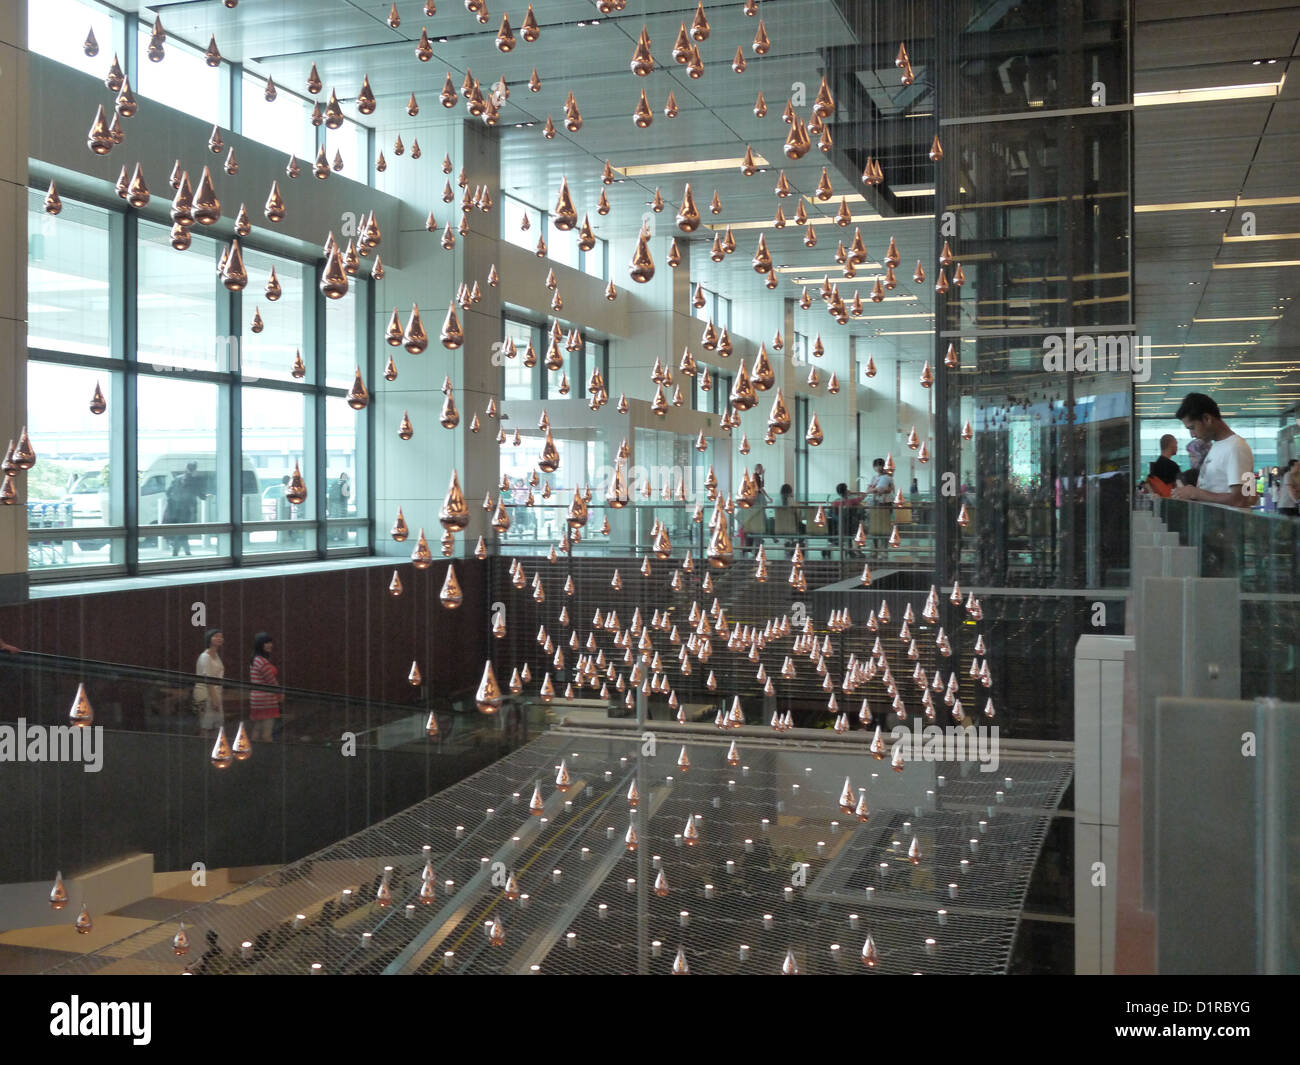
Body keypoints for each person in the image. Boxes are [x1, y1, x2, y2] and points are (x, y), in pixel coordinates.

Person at [1170, 394, 1255, 508]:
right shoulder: (1218, 446)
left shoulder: (1236, 447)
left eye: (1192, 428)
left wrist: (1195, 493)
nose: (1192, 435)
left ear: (1207, 419)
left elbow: (1241, 500)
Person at [249, 633, 283, 742]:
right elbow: (271, 681)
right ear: (260, 645)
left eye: (270, 642)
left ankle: (253, 754)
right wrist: (280, 694)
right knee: (267, 733)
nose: (270, 645)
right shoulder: (262, 661)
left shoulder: (254, 660)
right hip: (266, 699)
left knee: (257, 729)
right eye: (266, 643)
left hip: (256, 699)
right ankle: (267, 755)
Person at [192, 628, 225, 734]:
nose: (219, 638)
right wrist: (215, 699)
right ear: (209, 639)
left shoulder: (216, 656)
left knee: (216, 728)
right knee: (205, 727)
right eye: (216, 636)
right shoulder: (205, 656)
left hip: (215, 694)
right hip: (205, 695)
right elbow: (208, 679)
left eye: (220, 636)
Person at [163, 462, 199, 557]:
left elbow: (168, 492)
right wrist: (194, 513)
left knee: (180, 532)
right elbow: (193, 498)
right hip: (185, 510)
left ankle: (182, 552)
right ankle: (182, 553)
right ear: (195, 469)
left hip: (174, 510)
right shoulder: (192, 481)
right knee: (182, 532)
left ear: (186, 468)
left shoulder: (177, 478)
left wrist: (173, 501)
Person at [865, 459, 895, 553]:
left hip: (885, 504)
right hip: (875, 503)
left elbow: (881, 490)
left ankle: (884, 548)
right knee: (874, 525)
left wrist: (874, 489)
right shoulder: (874, 477)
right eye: (876, 465)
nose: (878, 467)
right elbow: (868, 490)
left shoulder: (888, 477)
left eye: (880, 465)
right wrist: (875, 489)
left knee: (884, 526)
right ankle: (875, 548)